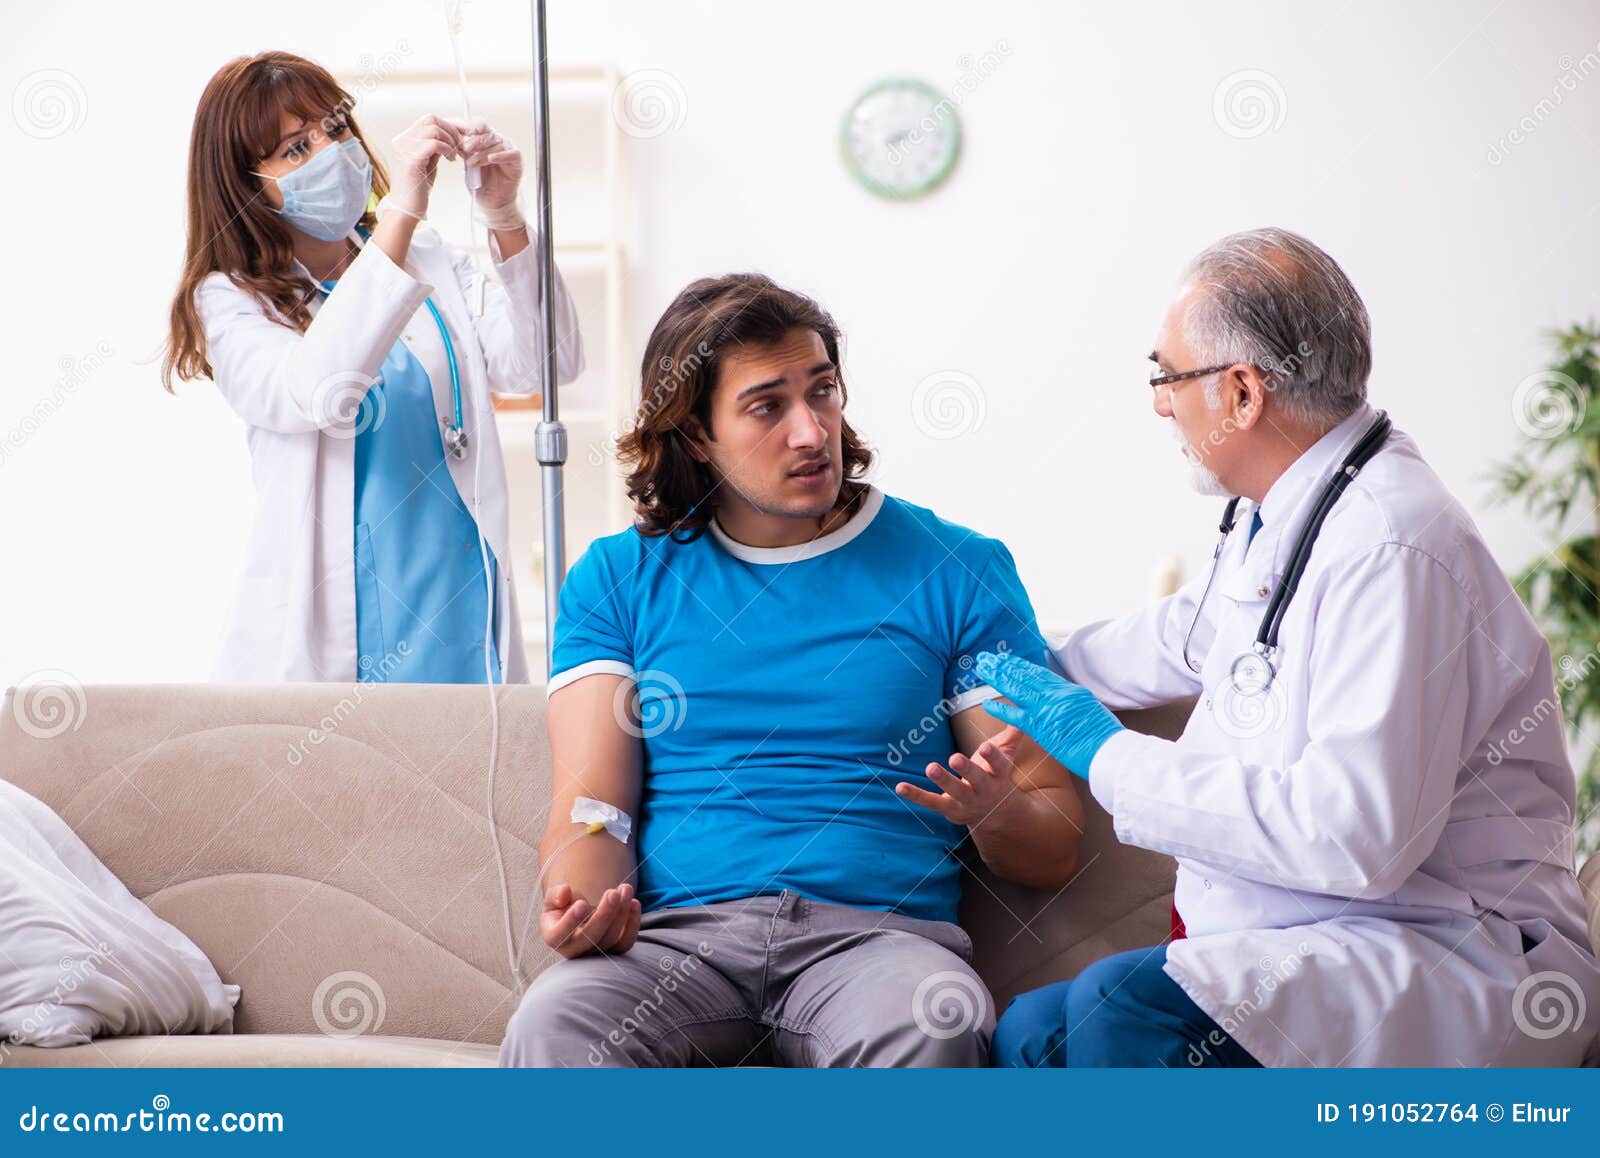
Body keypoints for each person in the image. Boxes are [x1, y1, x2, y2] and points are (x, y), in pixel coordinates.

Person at [984, 227, 1600, 1068]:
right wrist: (1006, 654)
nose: (1161, 402)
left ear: (1242, 394)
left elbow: (1358, 839)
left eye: (1167, 376)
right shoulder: (1293, 514)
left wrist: (1107, 756)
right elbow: (1190, 634)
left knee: (1115, 1015)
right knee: (1029, 1033)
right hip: (1334, 935)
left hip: (1450, 946)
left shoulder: (1392, 545)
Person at [497, 273, 1083, 1067]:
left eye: (824, 392)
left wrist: (994, 808)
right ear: (696, 433)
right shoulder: (618, 578)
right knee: (555, 1023)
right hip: (676, 949)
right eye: (767, 406)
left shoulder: (958, 567)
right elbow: (595, 804)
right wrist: (586, 899)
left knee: (931, 1023)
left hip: (877, 945)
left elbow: (1051, 847)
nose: (812, 431)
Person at [162, 51, 584, 683]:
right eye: (294, 148)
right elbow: (317, 393)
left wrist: (504, 216)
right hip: (343, 635)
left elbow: (547, 363)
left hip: (461, 602)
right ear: (245, 186)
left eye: (333, 129)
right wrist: (402, 214)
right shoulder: (231, 300)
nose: (329, 152)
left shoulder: (430, 261)